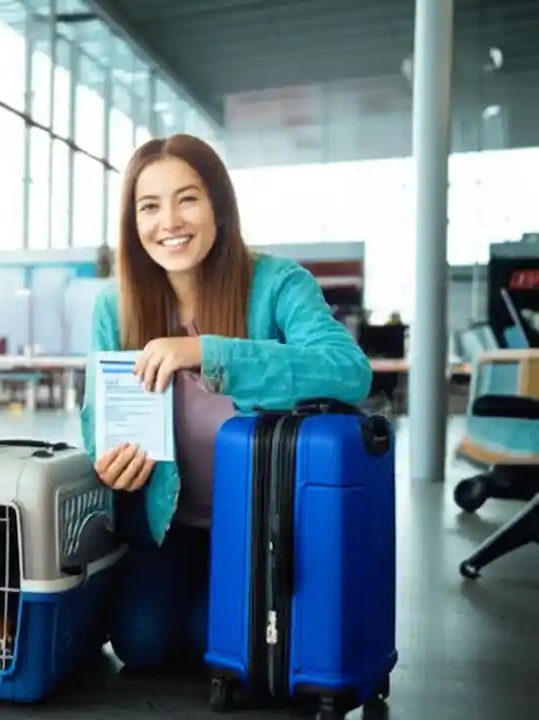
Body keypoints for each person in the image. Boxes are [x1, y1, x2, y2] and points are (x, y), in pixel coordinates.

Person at [79, 134, 373, 673]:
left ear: (219, 205)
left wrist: (206, 352)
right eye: (150, 205)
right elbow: (97, 421)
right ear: (133, 221)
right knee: (141, 644)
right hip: (167, 525)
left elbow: (348, 371)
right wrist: (107, 463)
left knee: (216, 641)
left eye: (187, 198)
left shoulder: (278, 283)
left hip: (264, 522)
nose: (169, 221)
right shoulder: (113, 305)